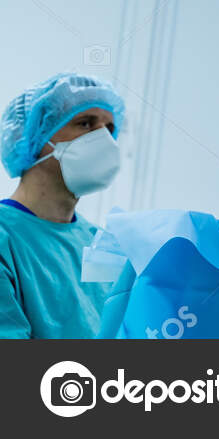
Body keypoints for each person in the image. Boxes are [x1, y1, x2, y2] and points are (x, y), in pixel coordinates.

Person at [0, 72, 126, 338]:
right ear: (35, 136)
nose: (104, 139)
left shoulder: (102, 244)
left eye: (109, 128)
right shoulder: (6, 238)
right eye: (85, 123)